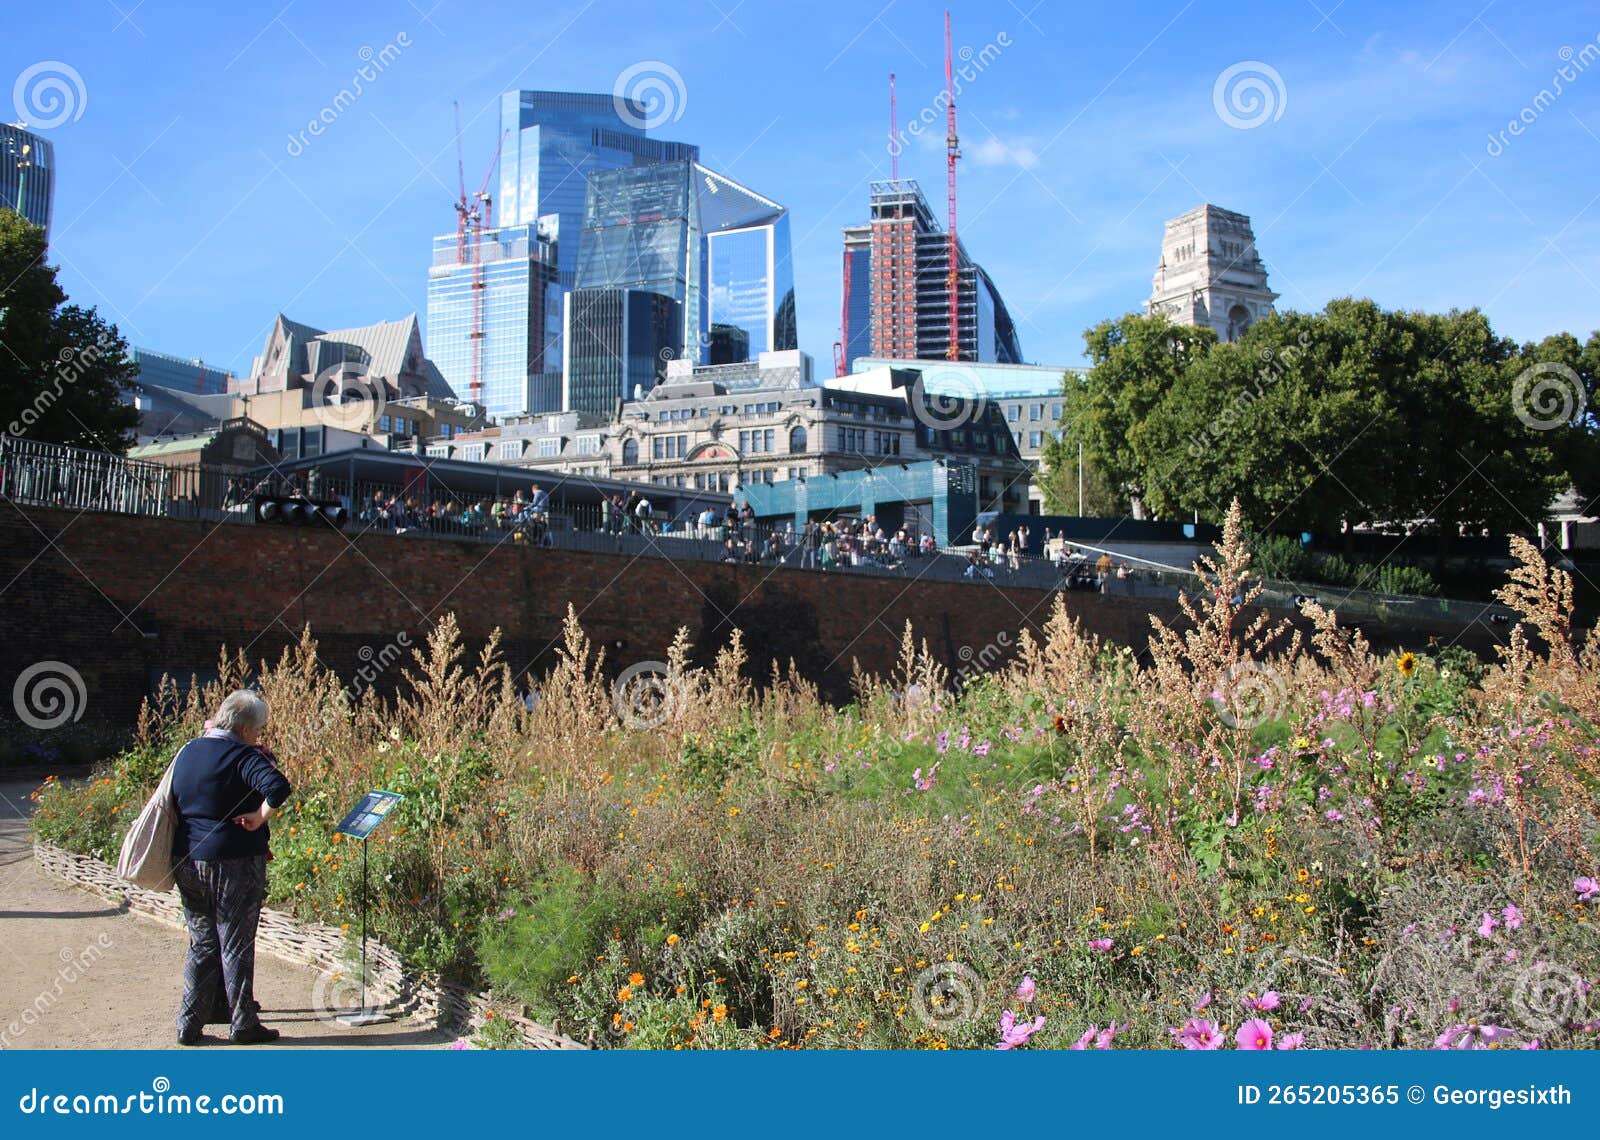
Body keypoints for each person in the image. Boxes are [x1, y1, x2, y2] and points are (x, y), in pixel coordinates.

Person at [170, 690, 291, 1046]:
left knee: (203, 942)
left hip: (187, 858)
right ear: (242, 727)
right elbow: (278, 786)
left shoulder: (189, 751)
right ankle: (243, 1023)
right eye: (257, 729)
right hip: (232, 859)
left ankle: (189, 1024)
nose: (258, 736)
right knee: (235, 943)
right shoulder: (241, 754)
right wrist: (259, 816)